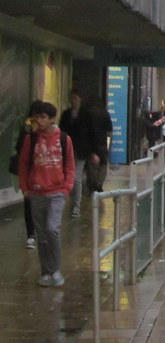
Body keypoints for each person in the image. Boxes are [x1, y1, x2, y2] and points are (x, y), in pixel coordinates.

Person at [19, 101, 75, 287]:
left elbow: (70, 166)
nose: (39, 120)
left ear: (52, 119)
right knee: (41, 234)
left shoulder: (64, 139)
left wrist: (66, 187)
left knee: (52, 229)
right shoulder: (31, 139)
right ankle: (46, 271)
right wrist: (25, 187)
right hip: (36, 192)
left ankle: (56, 269)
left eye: (43, 117)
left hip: (57, 192)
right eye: (37, 116)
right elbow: (24, 164)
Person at [60, 89, 104, 218]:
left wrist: (95, 152)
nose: (73, 101)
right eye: (72, 99)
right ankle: (71, 203)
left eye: (75, 98)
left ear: (80, 99)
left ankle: (76, 206)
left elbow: (92, 134)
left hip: (81, 151)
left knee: (76, 177)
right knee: (71, 177)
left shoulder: (86, 115)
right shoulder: (66, 114)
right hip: (68, 150)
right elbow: (62, 132)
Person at [10, 104, 40, 249]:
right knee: (29, 202)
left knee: (39, 203)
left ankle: (35, 234)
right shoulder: (27, 128)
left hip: (41, 172)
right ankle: (31, 235)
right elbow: (19, 148)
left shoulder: (48, 131)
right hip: (29, 170)